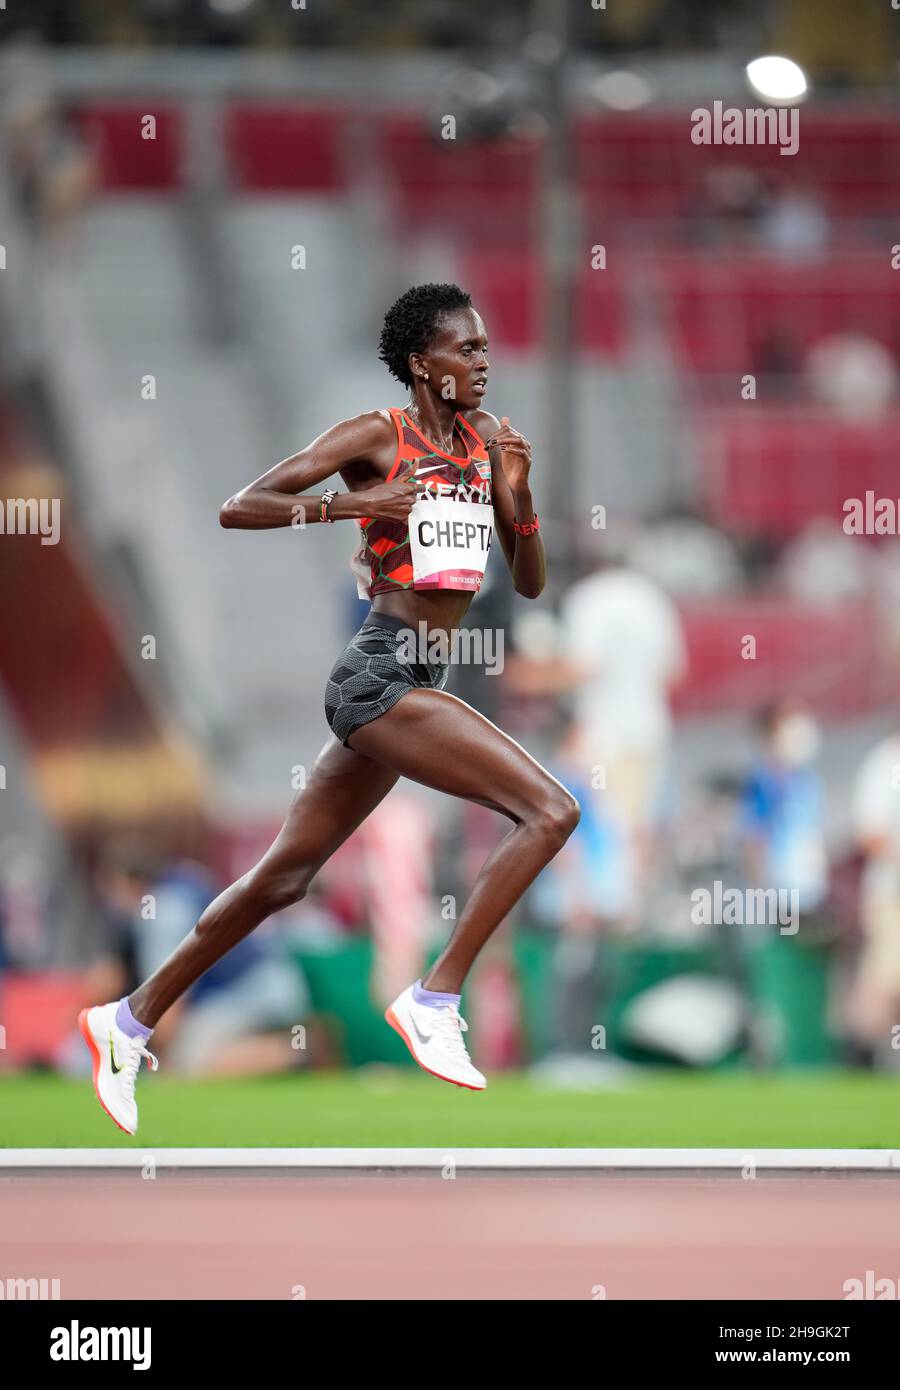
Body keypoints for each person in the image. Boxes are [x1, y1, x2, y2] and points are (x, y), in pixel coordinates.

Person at [79, 282, 580, 1132]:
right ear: (424, 363)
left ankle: (126, 1021)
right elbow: (242, 506)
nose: (485, 365)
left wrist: (520, 501)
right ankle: (435, 996)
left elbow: (529, 584)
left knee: (283, 878)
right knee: (551, 809)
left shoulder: (492, 443)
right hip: (378, 677)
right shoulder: (376, 438)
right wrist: (352, 504)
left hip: (421, 683)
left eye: (489, 350)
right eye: (468, 350)